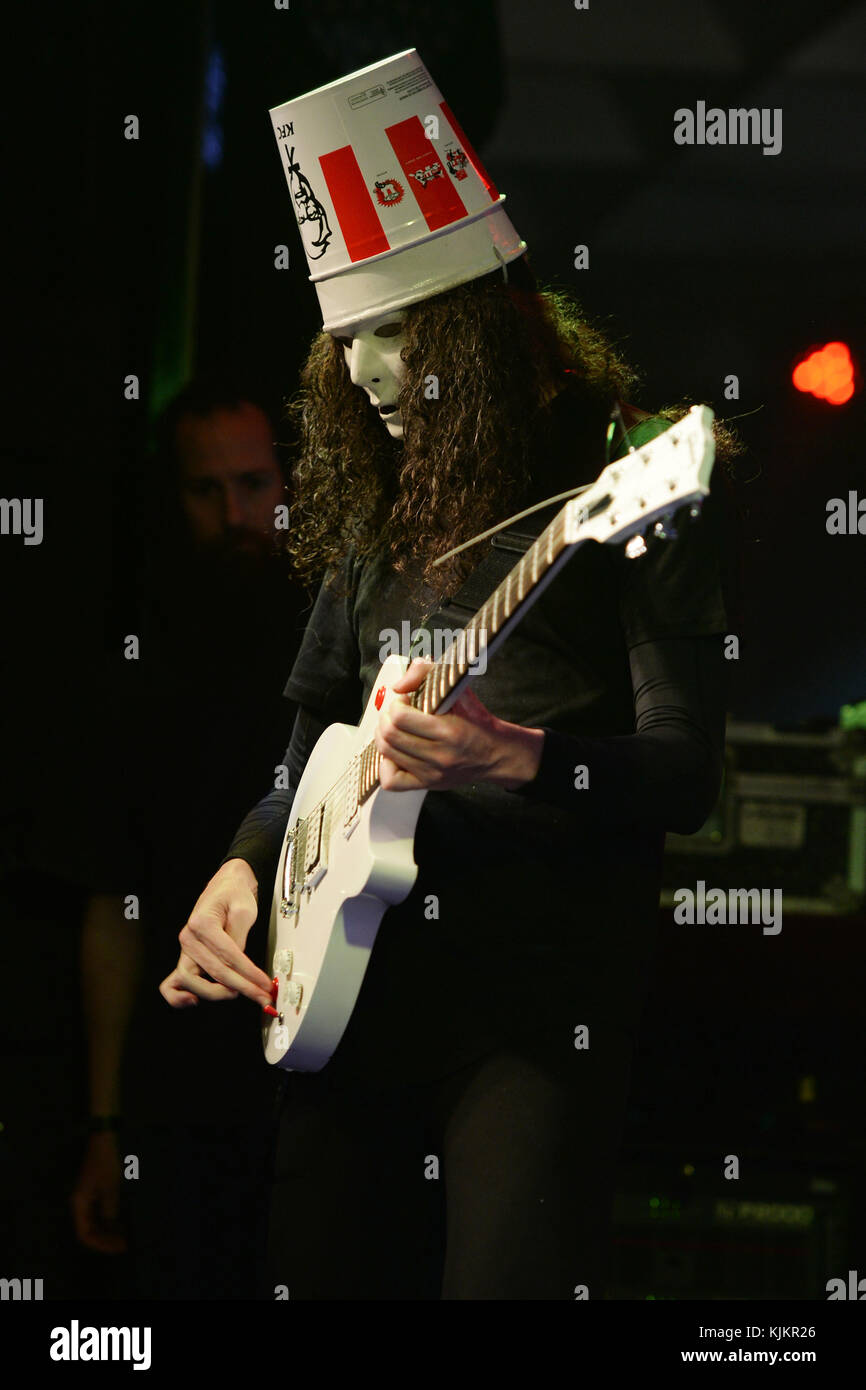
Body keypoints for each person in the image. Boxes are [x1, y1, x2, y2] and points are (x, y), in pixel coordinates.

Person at [160, 50, 739, 1299]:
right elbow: (308, 757)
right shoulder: (378, 510)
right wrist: (238, 868)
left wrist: (514, 757)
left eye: (395, 331)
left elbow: (686, 772)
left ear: (478, 322)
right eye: (345, 337)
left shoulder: (618, 485)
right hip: (351, 1000)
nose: (366, 374)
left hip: (530, 1016)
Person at [72, 378, 307, 1297]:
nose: (236, 512)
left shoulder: (334, 637)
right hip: (183, 1079)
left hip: (328, 1068)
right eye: (207, 491)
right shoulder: (139, 670)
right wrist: (103, 1126)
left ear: (288, 484)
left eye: (254, 484)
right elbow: (111, 902)